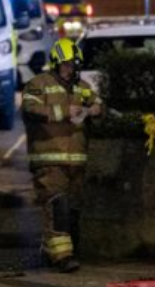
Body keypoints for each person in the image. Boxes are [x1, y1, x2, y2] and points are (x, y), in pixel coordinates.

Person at [19, 38, 103, 272]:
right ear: (56, 63)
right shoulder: (38, 84)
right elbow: (30, 110)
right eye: (67, 64)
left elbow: (100, 106)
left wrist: (96, 109)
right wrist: (64, 111)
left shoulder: (82, 87)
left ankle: (62, 250)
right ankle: (62, 257)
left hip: (76, 160)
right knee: (57, 206)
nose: (71, 68)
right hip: (49, 159)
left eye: (74, 64)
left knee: (73, 209)